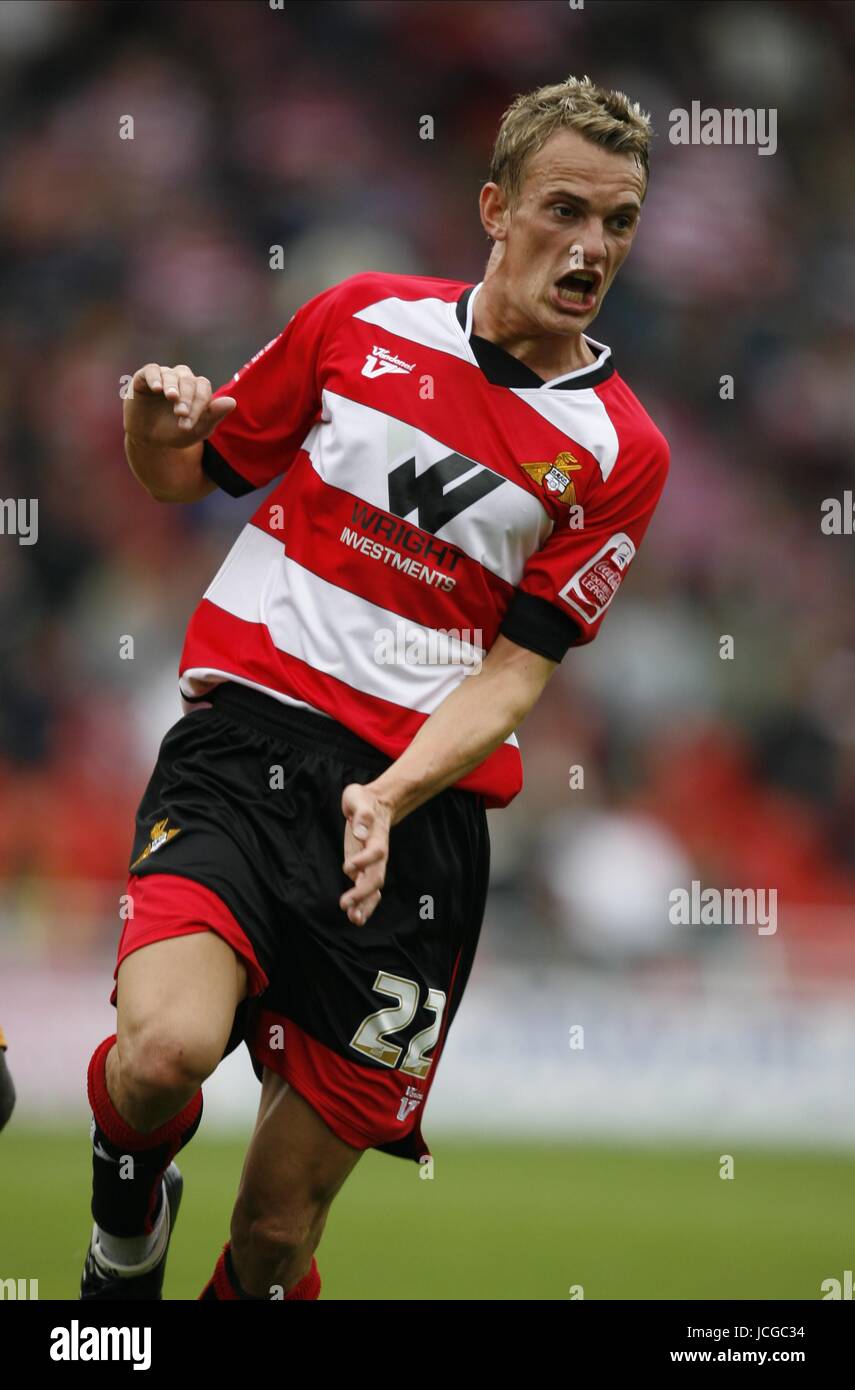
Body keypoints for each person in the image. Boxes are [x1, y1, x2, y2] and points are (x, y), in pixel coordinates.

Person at [80, 75, 669, 1301]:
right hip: (246, 748)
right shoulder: (361, 318)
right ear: (496, 207)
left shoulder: (621, 452)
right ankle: (122, 1242)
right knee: (162, 1055)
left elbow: (517, 676)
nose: (593, 246)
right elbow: (183, 475)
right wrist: (154, 418)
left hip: (417, 826)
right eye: (567, 210)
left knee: (277, 1237)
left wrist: (391, 794)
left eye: (619, 223)